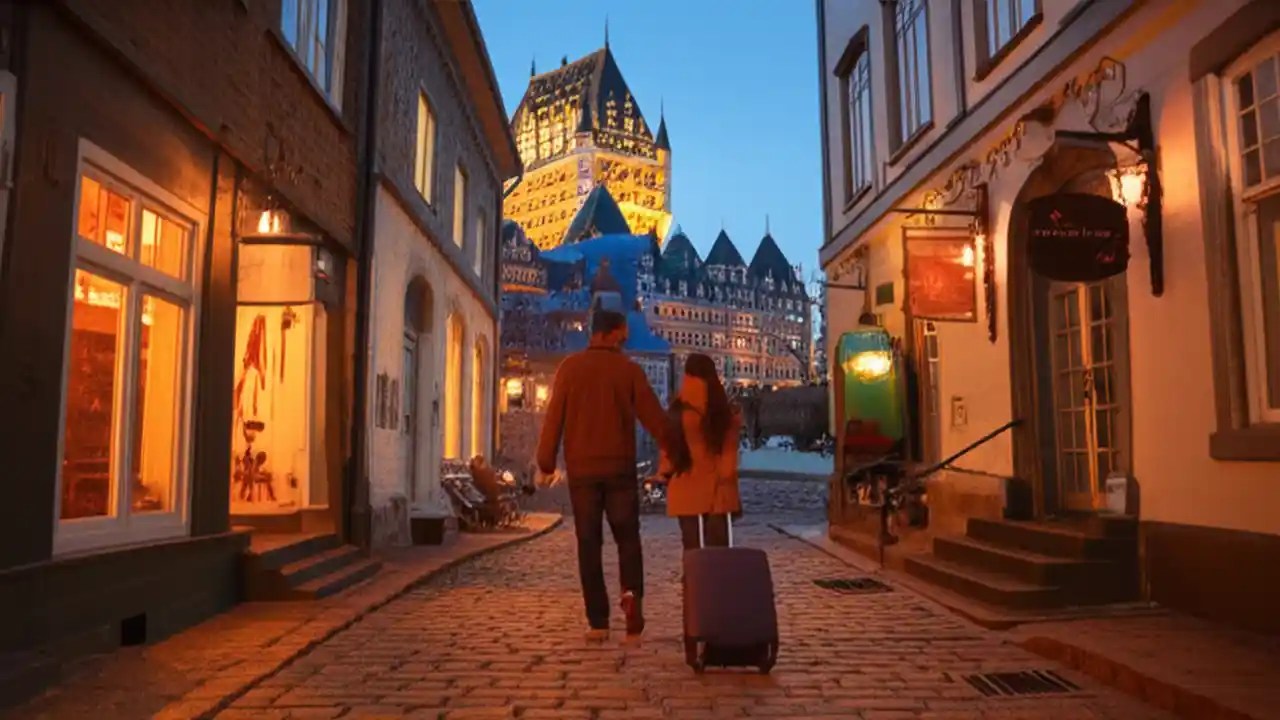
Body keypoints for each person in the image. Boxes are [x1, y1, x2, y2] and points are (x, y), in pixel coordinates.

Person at [536, 309, 668, 641]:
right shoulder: (628, 371)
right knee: (628, 539)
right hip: (619, 469)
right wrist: (677, 453)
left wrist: (546, 461)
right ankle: (631, 596)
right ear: (615, 332)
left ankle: (598, 621)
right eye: (623, 333)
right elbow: (654, 417)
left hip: (583, 471)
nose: (625, 339)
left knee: (588, 543)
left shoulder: (570, 369)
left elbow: (554, 418)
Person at [659, 354, 743, 550]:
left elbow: (668, 455)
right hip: (718, 496)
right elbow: (728, 462)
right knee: (719, 558)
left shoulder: (677, 411)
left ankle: (692, 580)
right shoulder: (725, 413)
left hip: (685, 492)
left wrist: (663, 473)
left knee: (693, 552)